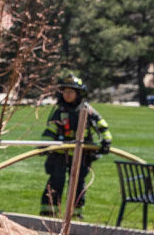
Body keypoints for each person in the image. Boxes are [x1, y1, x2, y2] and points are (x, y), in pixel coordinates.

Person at [39, 74, 113, 218]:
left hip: (82, 155)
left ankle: (76, 214)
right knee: (56, 181)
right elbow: (51, 130)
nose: (67, 95)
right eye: (65, 92)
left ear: (78, 94)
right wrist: (44, 145)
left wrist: (106, 141)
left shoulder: (86, 110)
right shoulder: (59, 111)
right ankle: (49, 211)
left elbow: (102, 126)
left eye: (71, 92)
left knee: (78, 184)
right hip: (60, 153)